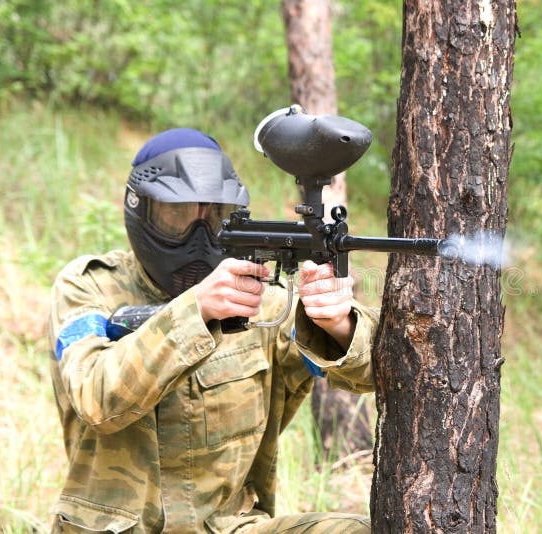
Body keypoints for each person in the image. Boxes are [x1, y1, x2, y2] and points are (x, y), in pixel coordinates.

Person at [47, 128, 377, 533]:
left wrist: (339, 325)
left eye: (215, 215)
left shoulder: (265, 304)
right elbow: (95, 398)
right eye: (178, 215)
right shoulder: (89, 287)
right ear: (141, 210)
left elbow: (376, 374)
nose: (199, 236)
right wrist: (196, 310)